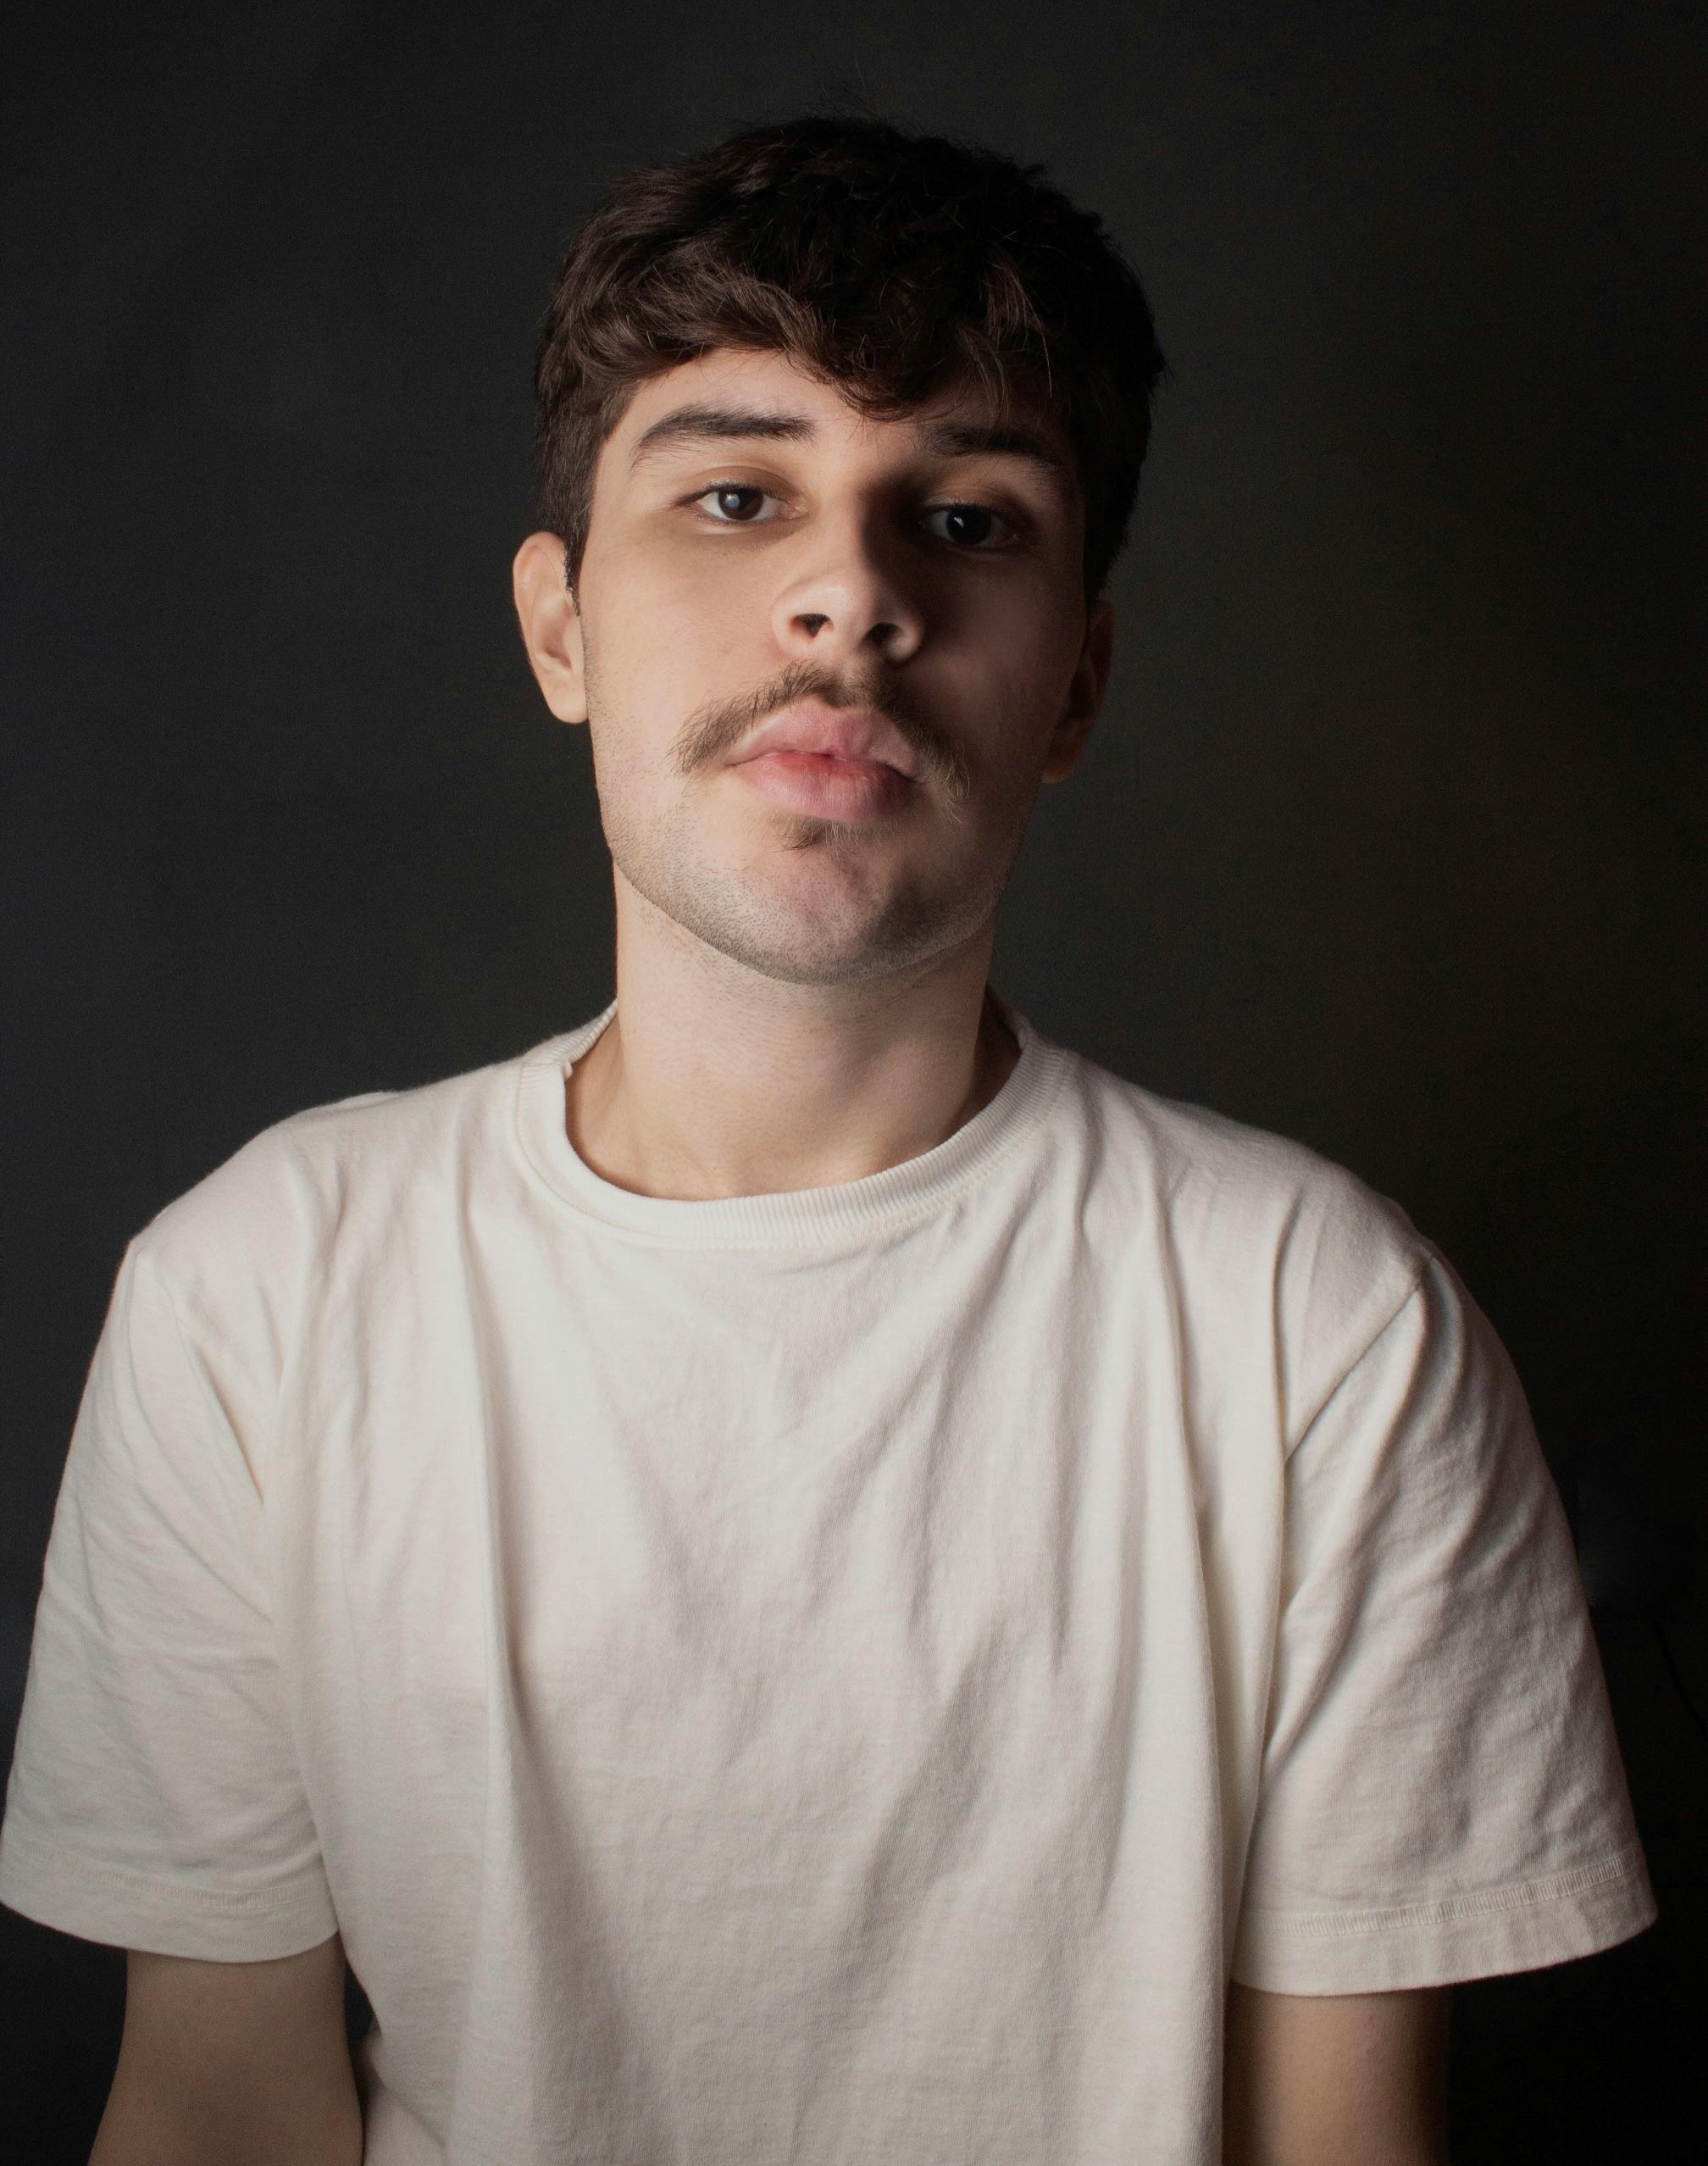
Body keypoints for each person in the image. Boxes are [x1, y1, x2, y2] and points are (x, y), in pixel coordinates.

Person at [1, 116, 1654, 2166]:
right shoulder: (260, 1293)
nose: (849, 596)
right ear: (561, 628)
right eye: (733, 495)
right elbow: (214, 2114)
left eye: (963, 520)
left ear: (1078, 683)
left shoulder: (1320, 1325)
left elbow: (1346, 2145)